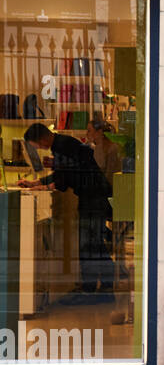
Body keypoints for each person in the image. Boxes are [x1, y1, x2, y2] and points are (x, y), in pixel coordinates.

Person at [19, 123, 115, 305]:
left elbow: (62, 179)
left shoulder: (61, 147)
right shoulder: (63, 143)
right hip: (96, 197)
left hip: (92, 199)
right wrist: (37, 183)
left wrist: (39, 185)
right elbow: (62, 175)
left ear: (42, 139)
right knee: (95, 244)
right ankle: (105, 287)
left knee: (89, 245)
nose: (37, 148)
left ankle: (91, 291)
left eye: (36, 145)